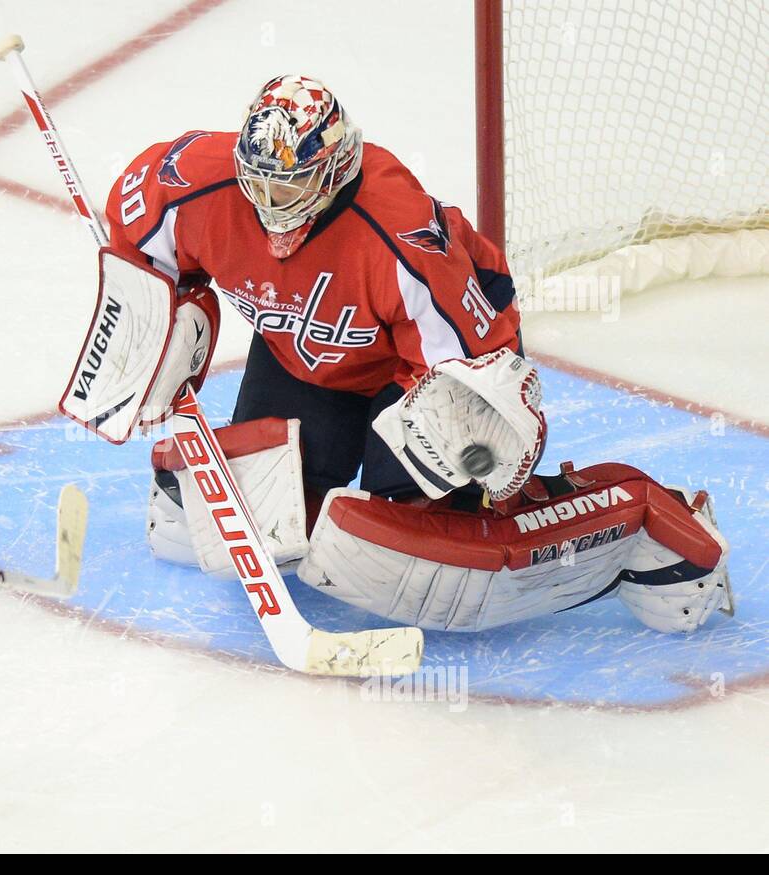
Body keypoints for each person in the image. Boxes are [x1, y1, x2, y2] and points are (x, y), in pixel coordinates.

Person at [76, 74, 731, 634]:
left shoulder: (402, 239)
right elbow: (140, 230)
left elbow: (484, 367)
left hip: (418, 372)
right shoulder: (196, 183)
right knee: (209, 520)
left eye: (291, 185)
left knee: (420, 547)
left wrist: (482, 443)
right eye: (261, 184)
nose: (271, 206)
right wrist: (162, 315)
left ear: (332, 169)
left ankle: (641, 511)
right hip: (307, 351)